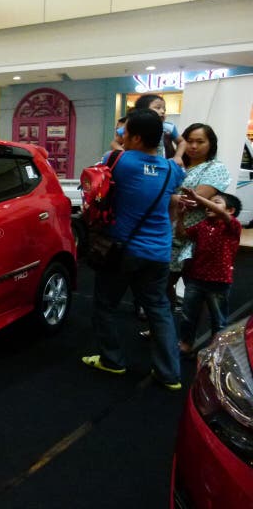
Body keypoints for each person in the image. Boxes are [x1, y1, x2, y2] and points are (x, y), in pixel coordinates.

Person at [82, 108, 185, 390]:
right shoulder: (172, 170)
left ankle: (112, 361)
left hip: (121, 249)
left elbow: (101, 175)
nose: (122, 136)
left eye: (126, 132)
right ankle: (169, 375)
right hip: (159, 252)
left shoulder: (117, 160)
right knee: (160, 310)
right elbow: (173, 171)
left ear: (137, 137)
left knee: (105, 306)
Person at [167, 123, 231, 313]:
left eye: (200, 142)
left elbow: (192, 200)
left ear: (211, 144)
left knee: (196, 290)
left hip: (197, 238)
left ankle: (191, 336)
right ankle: (164, 326)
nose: (193, 146)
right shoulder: (176, 164)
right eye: (189, 141)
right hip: (170, 233)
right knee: (163, 285)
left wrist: (166, 195)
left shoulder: (215, 168)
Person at [176, 189, 242, 354]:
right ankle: (186, 343)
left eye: (216, 202)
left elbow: (220, 212)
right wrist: (181, 216)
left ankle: (216, 348)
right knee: (188, 315)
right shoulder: (203, 225)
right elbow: (182, 234)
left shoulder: (232, 225)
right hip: (196, 278)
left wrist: (198, 198)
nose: (209, 206)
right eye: (209, 203)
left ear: (230, 210)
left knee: (218, 320)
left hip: (219, 281)